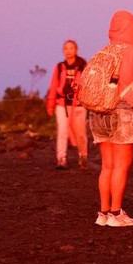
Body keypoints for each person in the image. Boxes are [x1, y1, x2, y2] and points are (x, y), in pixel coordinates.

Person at [89, 11, 133, 227]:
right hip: (123, 111)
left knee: (107, 166)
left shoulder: (103, 52)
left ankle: (103, 213)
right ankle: (117, 214)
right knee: (120, 167)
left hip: (98, 111)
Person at [46, 40, 89, 170]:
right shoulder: (59, 67)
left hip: (79, 104)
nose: (69, 51)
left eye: (71, 48)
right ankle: (61, 159)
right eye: (66, 48)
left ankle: (83, 156)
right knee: (62, 132)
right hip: (62, 103)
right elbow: (53, 86)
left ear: (76, 50)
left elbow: (87, 85)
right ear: (63, 51)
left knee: (80, 133)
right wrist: (50, 104)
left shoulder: (83, 65)